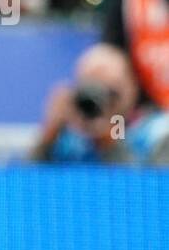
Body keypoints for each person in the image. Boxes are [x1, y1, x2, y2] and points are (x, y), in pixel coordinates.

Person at [32, 43, 169, 166]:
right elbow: (26, 181)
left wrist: (109, 139)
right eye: (90, 88)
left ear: (132, 88)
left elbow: (146, 187)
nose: (100, 101)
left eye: (111, 92)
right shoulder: (70, 138)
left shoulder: (157, 133)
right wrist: (50, 135)